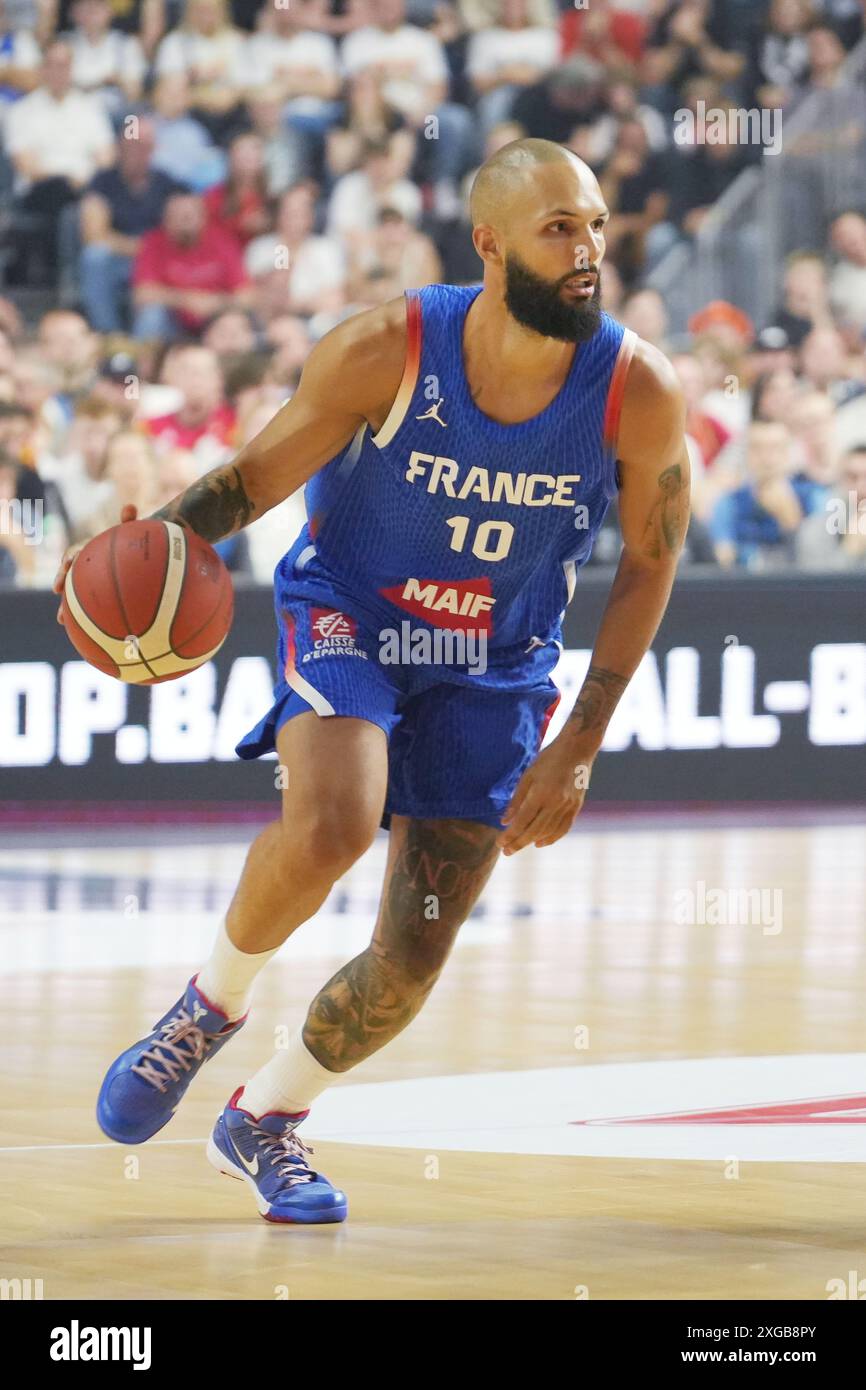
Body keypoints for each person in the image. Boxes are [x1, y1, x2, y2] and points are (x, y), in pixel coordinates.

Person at [55, 137, 690, 1225]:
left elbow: (649, 559)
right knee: (338, 815)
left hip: (495, 661)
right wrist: (148, 559)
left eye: (591, 225)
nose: (587, 249)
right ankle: (207, 1007)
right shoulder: (386, 347)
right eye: (557, 228)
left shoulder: (633, 387)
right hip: (352, 611)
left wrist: (578, 742)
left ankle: (266, 1119)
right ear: (488, 245)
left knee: (412, 952)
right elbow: (253, 479)